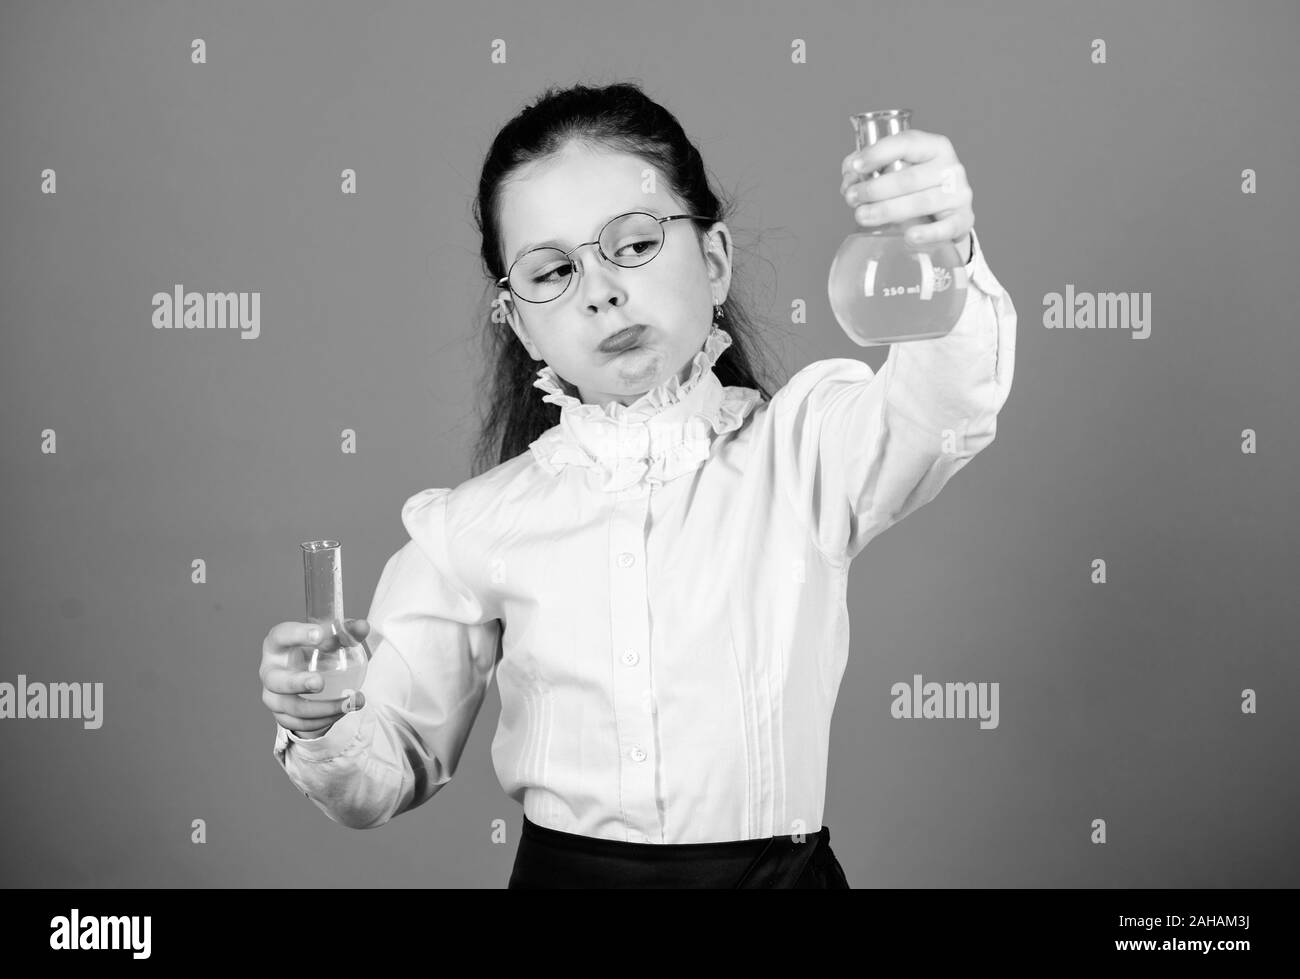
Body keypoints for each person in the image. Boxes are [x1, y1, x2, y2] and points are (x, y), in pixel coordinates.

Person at [259, 81, 1017, 888]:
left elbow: (944, 405)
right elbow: (382, 772)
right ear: (519, 323)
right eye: (552, 271)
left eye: (633, 244)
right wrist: (323, 720)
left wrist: (943, 246)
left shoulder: (805, 451)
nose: (601, 291)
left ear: (715, 260)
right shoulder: (473, 527)